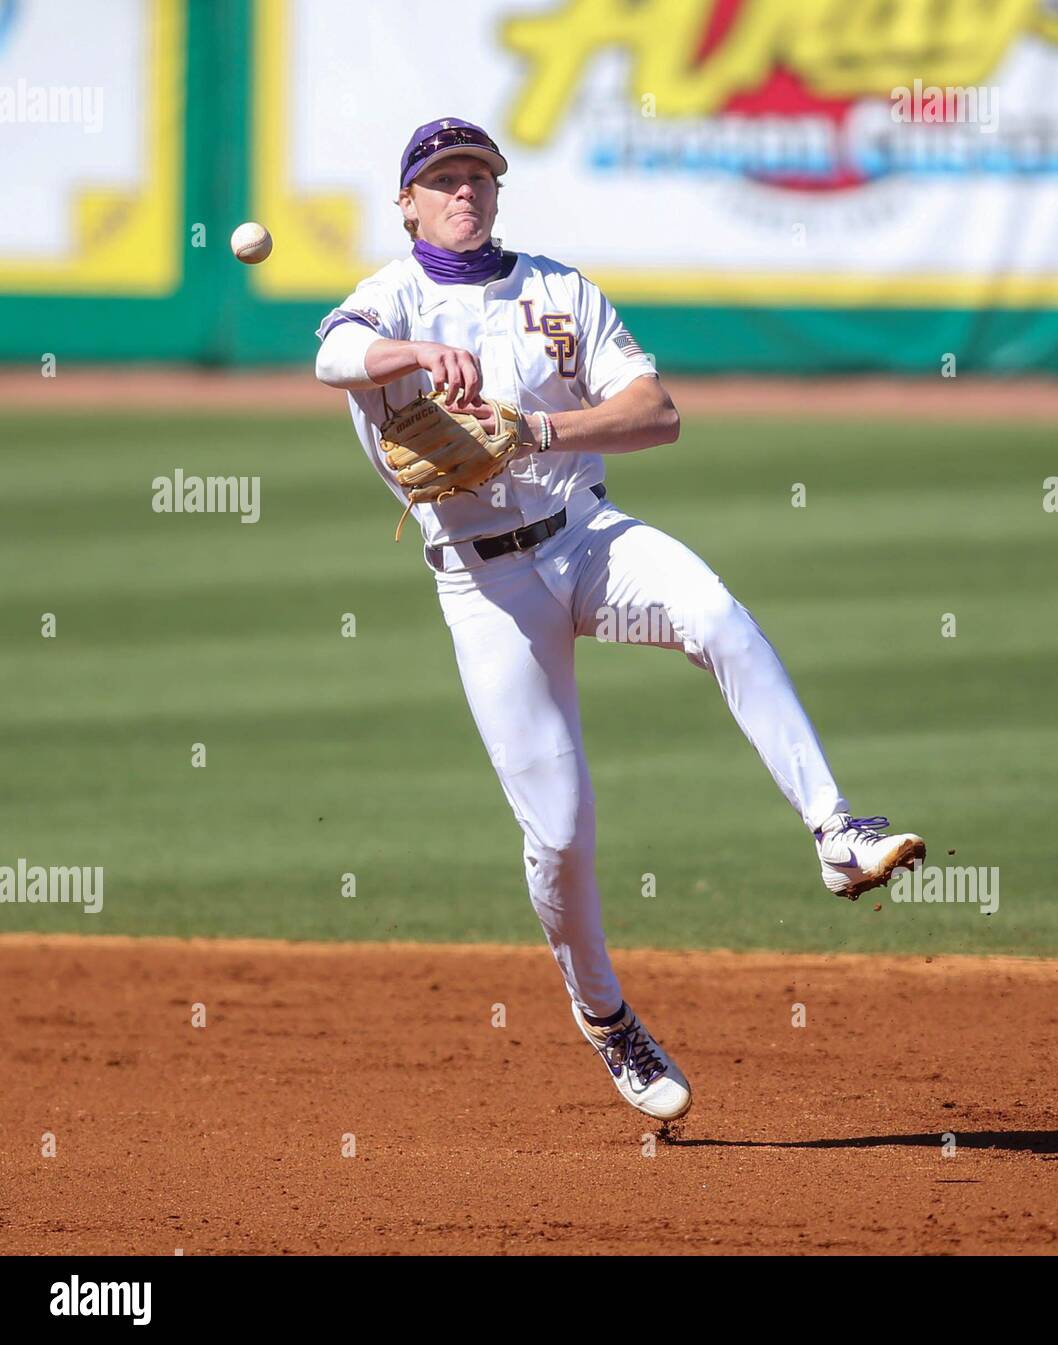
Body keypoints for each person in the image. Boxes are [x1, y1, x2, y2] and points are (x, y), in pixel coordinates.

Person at [315, 118, 925, 1123]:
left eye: (478, 175)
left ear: (498, 192)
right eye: (443, 178)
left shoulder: (559, 288)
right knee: (558, 833)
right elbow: (336, 360)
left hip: (584, 536)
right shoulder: (388, 298)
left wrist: (542, 429)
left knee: (716, 614)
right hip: (483, 584)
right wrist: (411, 350)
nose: (464, 191)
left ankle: (836, 832)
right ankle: (605, 1015)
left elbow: (658, 410)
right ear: (408, 201)